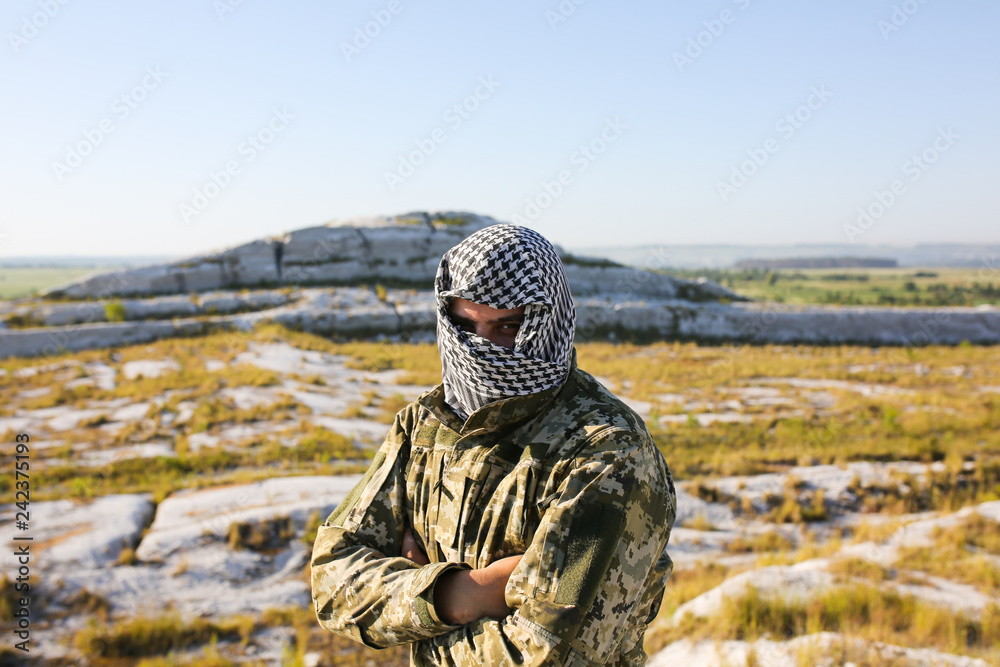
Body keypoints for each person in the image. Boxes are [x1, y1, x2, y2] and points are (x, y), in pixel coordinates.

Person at [311, 224, 676, 665]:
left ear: (549, 321)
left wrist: (414, 612)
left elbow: (545, 656)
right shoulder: (424, 425)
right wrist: (459, 595)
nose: (482, 350)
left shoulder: (607, 454)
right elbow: (332, 584)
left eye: (507, 326)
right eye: (464, 326)